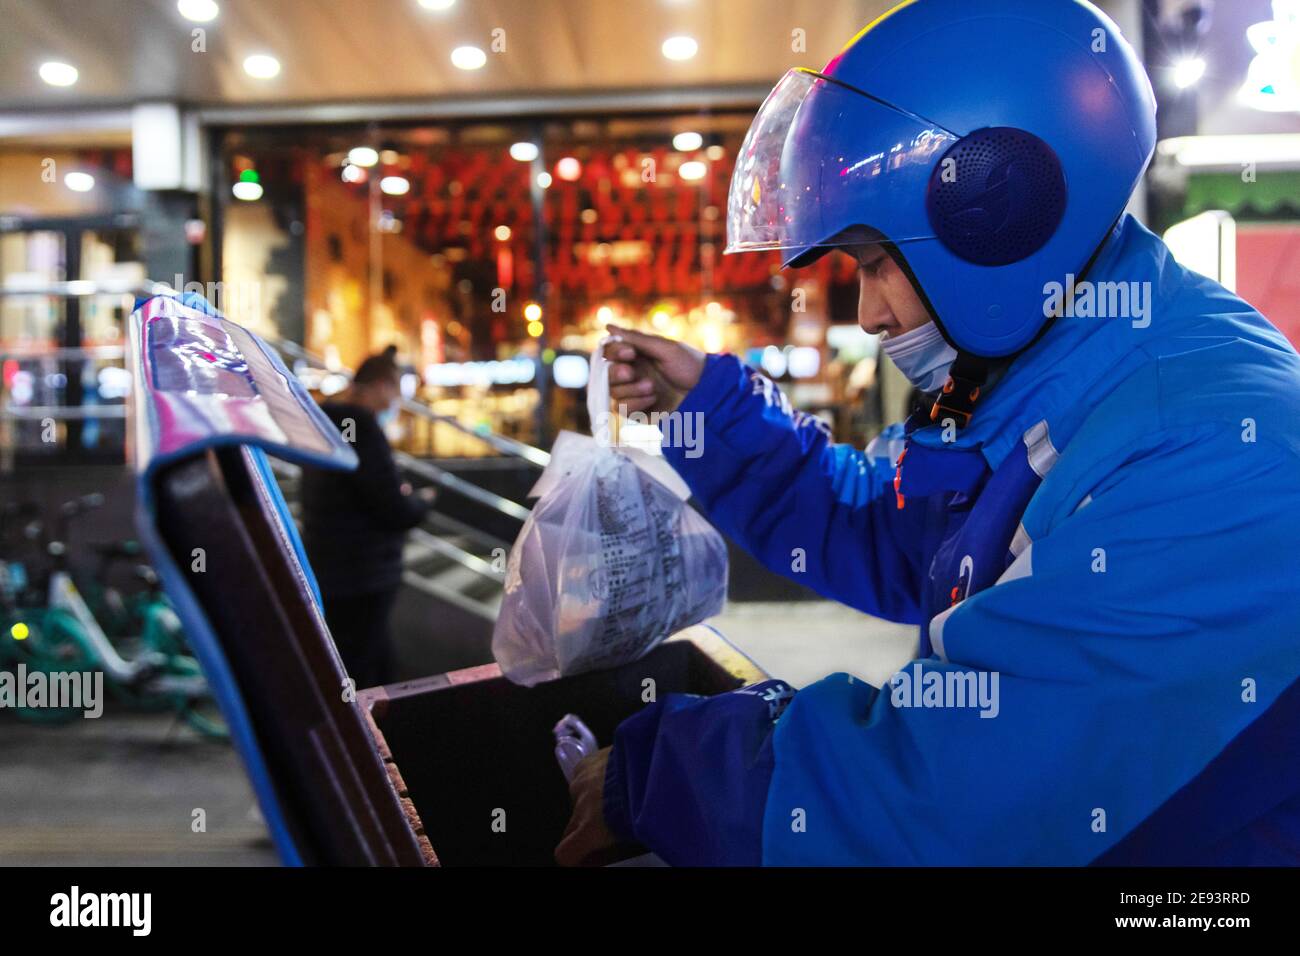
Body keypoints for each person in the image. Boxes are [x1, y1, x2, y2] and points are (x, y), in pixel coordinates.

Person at [557, 0, 1300, 866]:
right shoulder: (1058, 378)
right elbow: (900, 531)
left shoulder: (1215, 454)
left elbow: (960, 797)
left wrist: (653, 775)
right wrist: (712, 415)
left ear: (1002, 214)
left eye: (876, 263)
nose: (869, 313)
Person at [300, 346, 434, 689]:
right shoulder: (360, 425)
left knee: (362, 663)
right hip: (362, 573)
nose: (395, 403)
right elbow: (391, 505)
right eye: (394, 392)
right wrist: (422, 501)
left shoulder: (325, 420)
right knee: (363, 670)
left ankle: (373, 734)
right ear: (378, 386)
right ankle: (365, 737)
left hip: (332, 566)